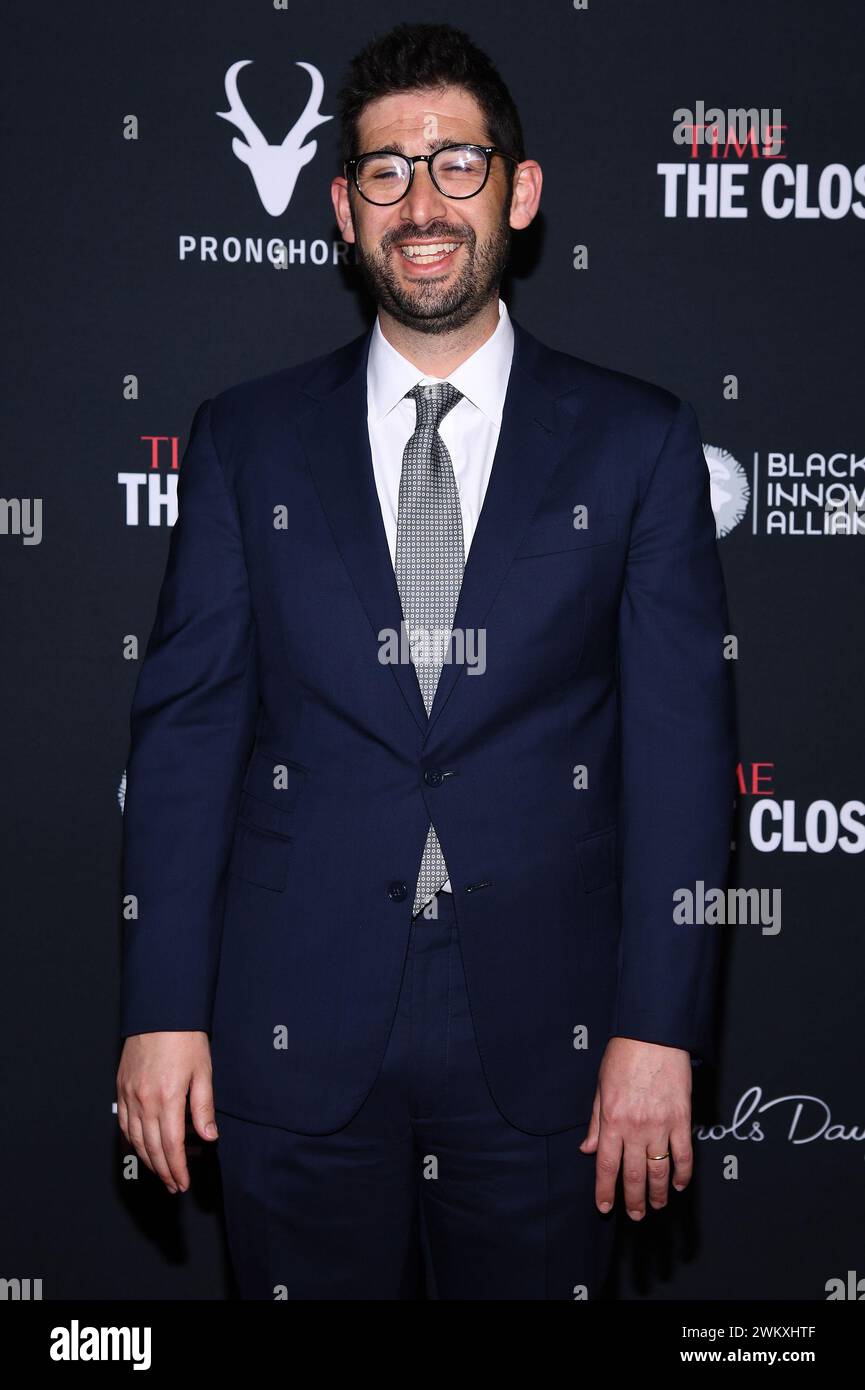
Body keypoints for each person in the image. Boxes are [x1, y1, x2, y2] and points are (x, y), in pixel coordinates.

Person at [116, 21, 736, 1300]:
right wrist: (160, 1007)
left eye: (458, 163)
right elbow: (186, 742)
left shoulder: (639, 443)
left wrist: (657, 1028)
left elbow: (681, 764)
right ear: (342, 210)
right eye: (388, 173)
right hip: (292, 1022)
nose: (424, 202)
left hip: (548, 1035)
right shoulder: (246, 440)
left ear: (521, 189)